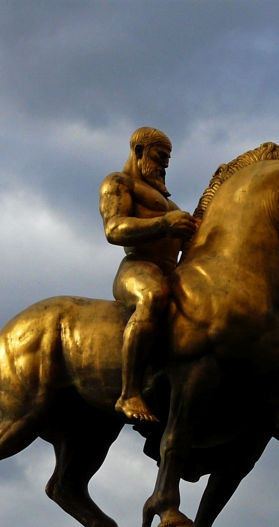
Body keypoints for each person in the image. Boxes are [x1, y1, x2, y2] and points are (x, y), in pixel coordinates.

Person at [99, 127, 198, 422]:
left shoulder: (172, 206)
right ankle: (129, 393)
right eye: (160, 156)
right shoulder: (119, 183)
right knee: (153, 296)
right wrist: (165, 225)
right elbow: (114, 228)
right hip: (137, 268)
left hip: (171, 273)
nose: (165, 164)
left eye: (168, 158)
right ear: (139, 151)